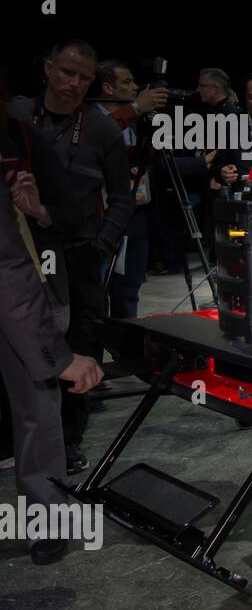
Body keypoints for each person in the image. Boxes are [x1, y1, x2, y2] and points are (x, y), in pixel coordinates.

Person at [8, 39, 130, 473]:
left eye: (83, 78)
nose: (74, 84)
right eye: (66, 72)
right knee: (22, 345)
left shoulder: (102, 129)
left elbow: (121, 197)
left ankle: (69, 442)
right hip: (20, 254)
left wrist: (102, 245)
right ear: (47, 68)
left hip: (77, 254)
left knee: (80, 347)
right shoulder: (19, 116)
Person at [1, 84, 104, 565]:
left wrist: (38, 210)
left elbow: (71, 216)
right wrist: (59, 356)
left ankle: (46, 520)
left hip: (31, 292)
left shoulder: (21, 135)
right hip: (18, 297)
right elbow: (6, 267)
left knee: (36, 408)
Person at [92, 60, 161, 318]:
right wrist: (135, 108)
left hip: (137, 213)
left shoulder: (136, 121)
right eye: (127, 82)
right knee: (97, 292)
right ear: (107, 88)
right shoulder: (92, 118)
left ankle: (128, 352)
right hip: (103, 216)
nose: (135, 87)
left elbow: (152, 159)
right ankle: (94, 353)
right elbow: (100, 138)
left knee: (129, 290)